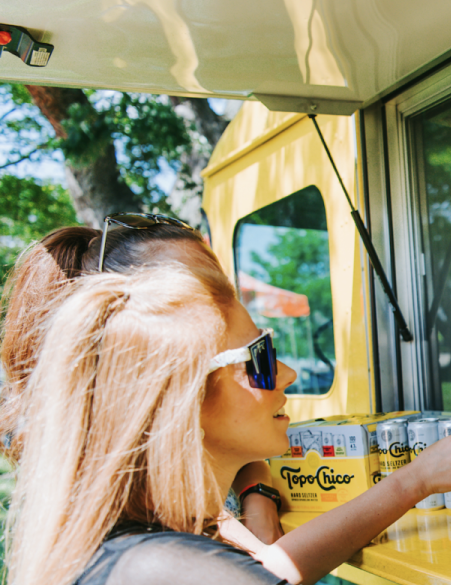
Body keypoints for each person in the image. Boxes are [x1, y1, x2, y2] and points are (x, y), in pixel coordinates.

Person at [7, 264, 451, 585]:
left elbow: (269, 572)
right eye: (260, 359)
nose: (286, 375)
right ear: (180, 400)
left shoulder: (145, 545)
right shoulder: (152, 574)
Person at [0, 219, 286, 543]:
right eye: (185, 286)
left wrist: (257, 491)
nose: (210, 297)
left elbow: (243, 450)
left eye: (213, 283)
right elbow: (269, 568)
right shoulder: (124, 471)